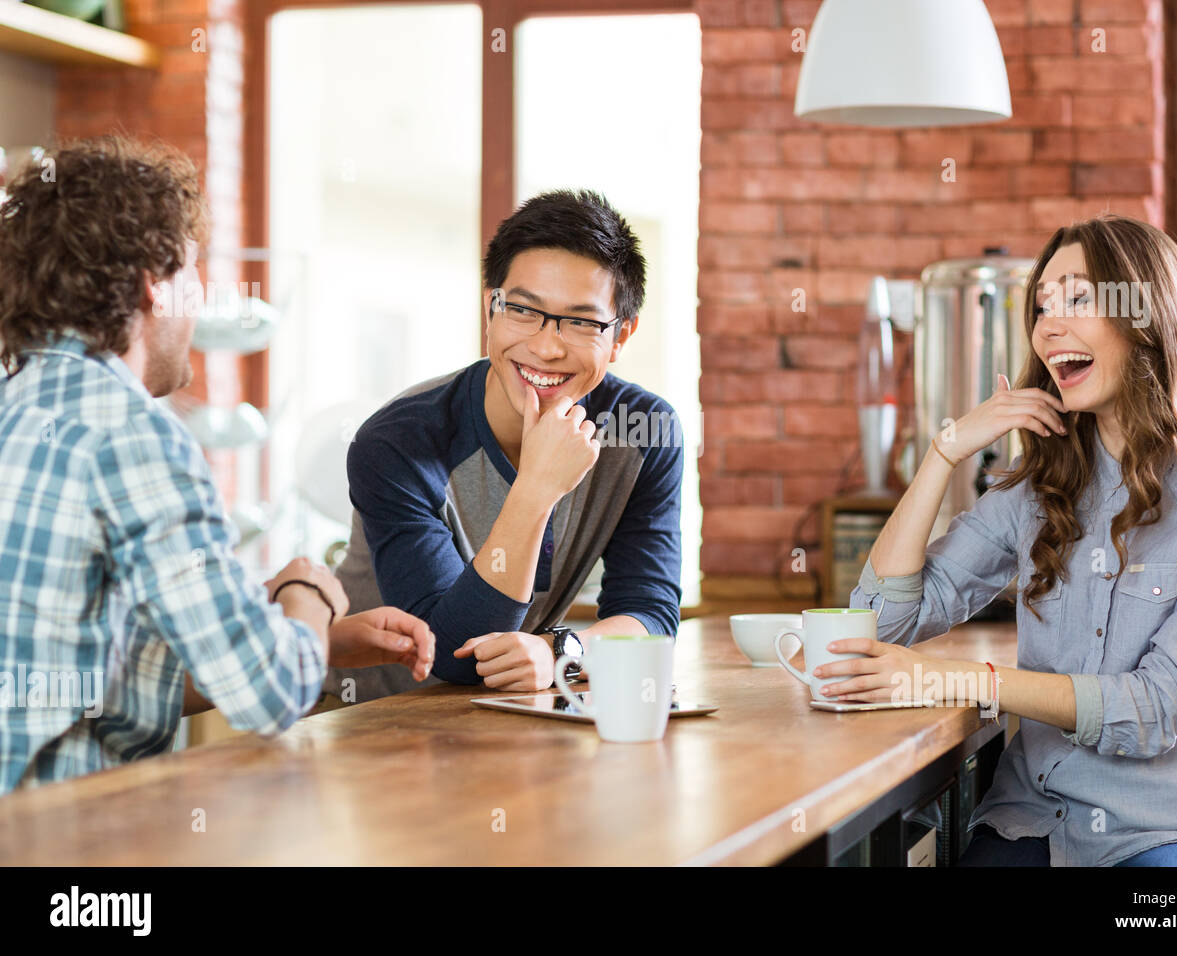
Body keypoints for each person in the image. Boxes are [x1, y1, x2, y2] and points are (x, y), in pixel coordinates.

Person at [820, 215, 1177, 866]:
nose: (1049, 325)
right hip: (1027, 826)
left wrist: (959, 681)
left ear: (1148, 314)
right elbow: (880, 621)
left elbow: (1158, 706)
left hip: (1167, 837)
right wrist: (945, 450)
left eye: (1077, 299)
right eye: (1042, 306)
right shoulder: (1043, 481)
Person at [0, 136, 433, 794]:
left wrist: (314, 638)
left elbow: (90, 684)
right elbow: (267, 696)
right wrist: (306, 593)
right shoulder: (137, 434)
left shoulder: (19, 402)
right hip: (69, 844)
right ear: (155, 282)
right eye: (194, 272)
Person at [325, 189, 683, 703]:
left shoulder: (643, 430)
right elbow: (453, 653)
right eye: (523, 310)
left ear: (621, 335)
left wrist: (562, 651)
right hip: (368, 721)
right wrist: (537, 487)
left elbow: (650, 614)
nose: (545, 346)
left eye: (581, 321)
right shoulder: (399, 440)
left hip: (511, 723)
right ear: (490, 307)